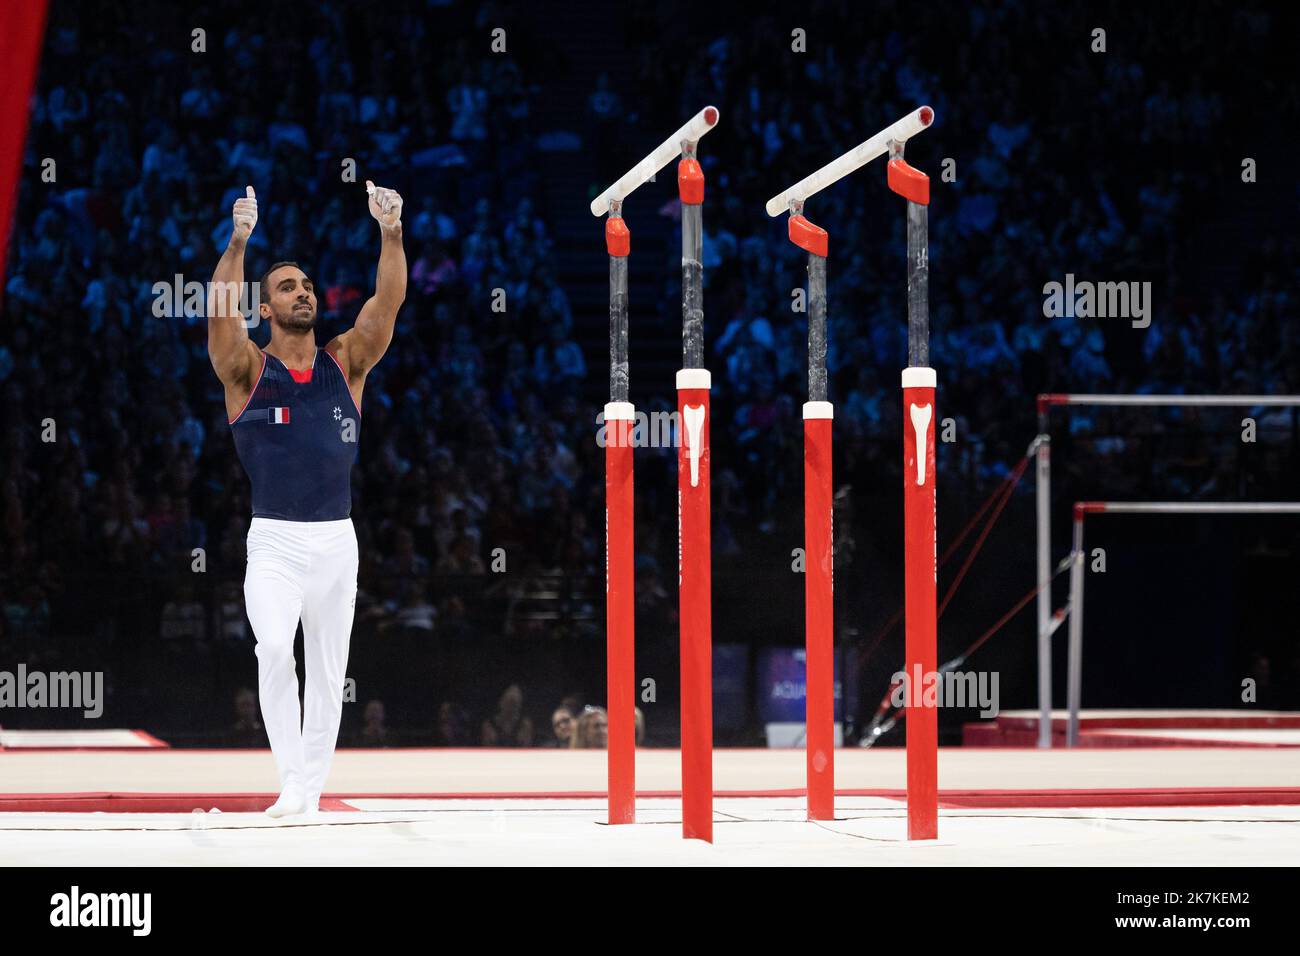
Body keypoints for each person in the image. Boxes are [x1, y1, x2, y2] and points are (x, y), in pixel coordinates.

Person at [208, 180, 405, 817]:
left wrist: (391, 231)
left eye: (307, 286)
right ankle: (294, 782)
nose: (303, 293)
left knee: (326, 675)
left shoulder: (345, 362)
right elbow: (218, 315)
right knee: (271, 647)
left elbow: (388, 302)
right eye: (288, 288)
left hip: (336, 541)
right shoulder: (246, 370)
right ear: (265, 309)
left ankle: (306, 791)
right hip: (274, 542)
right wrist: (239, 241)